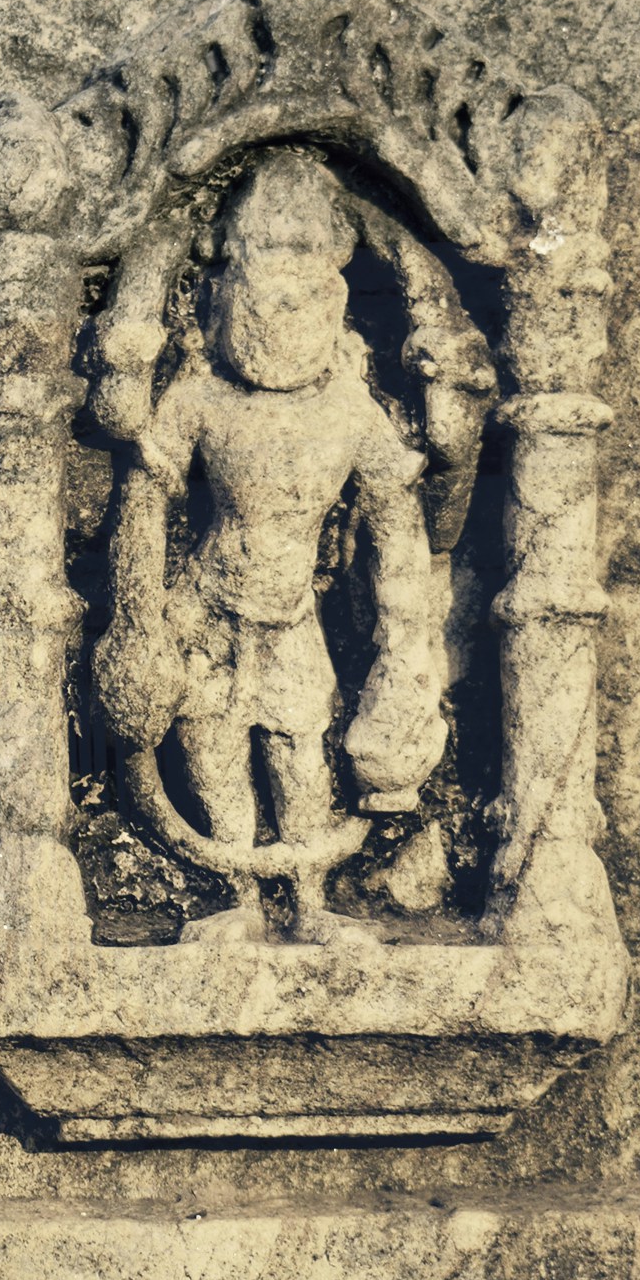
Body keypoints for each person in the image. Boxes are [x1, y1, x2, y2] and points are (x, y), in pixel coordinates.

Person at [128, 152, 445, 942]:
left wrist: (409, 646)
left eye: (299, 299)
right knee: (211, 738)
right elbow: (144, 493)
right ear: (221, 297)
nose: (276, 314)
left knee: (301, 741)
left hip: (292, 610)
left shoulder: (351, 412)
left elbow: (398, 528)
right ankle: (237, 896)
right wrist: (135, 621)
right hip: (204, 606)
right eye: (258, 297)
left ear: (333, 305)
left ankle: (308, 903)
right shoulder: (199, 396)